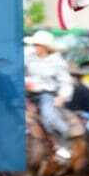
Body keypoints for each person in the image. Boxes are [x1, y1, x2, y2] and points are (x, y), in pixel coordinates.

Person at [24, 31, 74, 160]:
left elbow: (66, 81)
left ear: (45, 47)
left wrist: (62, 96)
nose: (35, 47)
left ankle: (64, 140)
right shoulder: (28, 56)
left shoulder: (57, 61)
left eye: (37, 45)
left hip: (46, 94)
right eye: (34, 44)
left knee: (48, 116)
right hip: (27, 92)